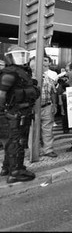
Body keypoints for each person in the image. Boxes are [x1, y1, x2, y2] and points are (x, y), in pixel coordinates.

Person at [0, 46, 40, 183]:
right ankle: (16, 171)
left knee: (14, 141)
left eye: (23, 55)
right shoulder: (9, 73)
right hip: (15, 113)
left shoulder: (22, 72)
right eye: (17, 55)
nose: (21, 58)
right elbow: (1, 94)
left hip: (21, 112)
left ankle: (7, 168)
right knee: (17, 141)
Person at [29, 56, 58, 158]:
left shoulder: (48, 78)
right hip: (33, 108)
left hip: (47, 106)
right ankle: (34, 151)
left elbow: (53, 92)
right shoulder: (28, 79)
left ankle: (48, 150)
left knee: (48, 129)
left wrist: (54, 105)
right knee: (33, 130)